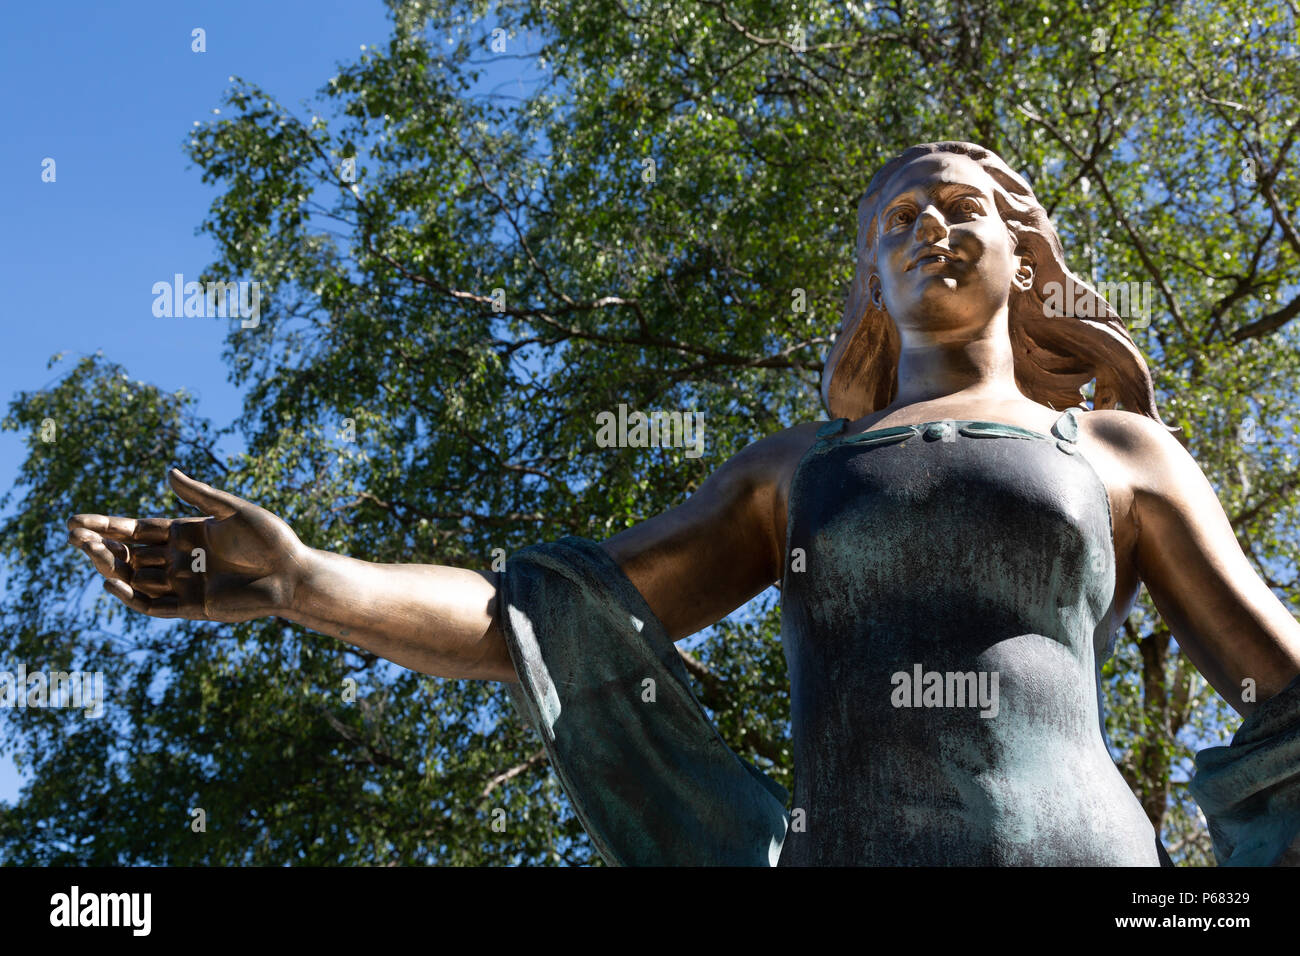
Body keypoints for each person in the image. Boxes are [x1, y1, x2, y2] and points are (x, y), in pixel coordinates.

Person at [68, 142, 1300, 866]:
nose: (928, 229)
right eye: (896, 222)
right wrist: (305, 579)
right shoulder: (796, 472)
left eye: (958, 209)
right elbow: (543, 618)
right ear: (872, 278)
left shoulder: (1113, 449)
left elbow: (1278, 682)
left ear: (1021, 254)